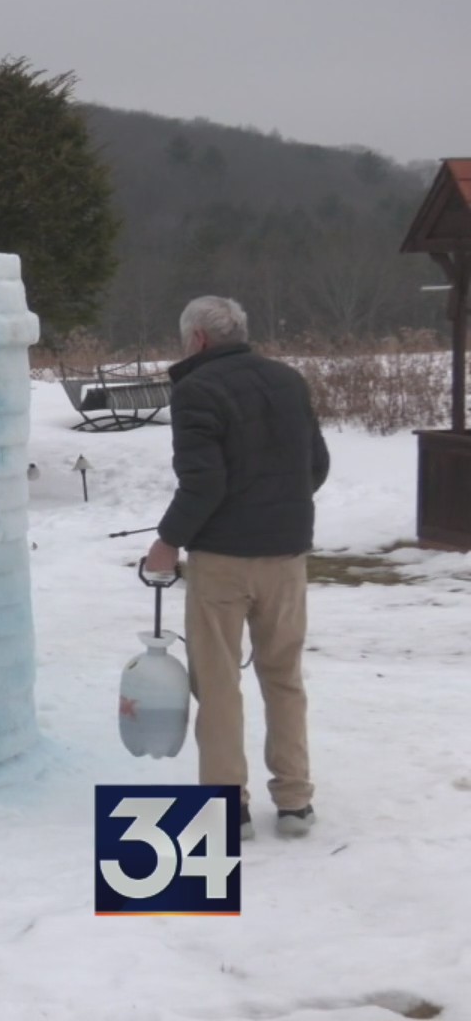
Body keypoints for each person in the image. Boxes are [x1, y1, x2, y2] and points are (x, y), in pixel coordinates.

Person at [145, 296, 329, 841]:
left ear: (197, 339)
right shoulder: (288, 380)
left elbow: (204, 483)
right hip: (287, 555)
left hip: (222, 562)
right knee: (284, 678)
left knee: (219, 685)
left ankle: (230, 809)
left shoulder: (197, 390)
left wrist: (166, 543)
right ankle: (294, 802)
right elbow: (314, 466)